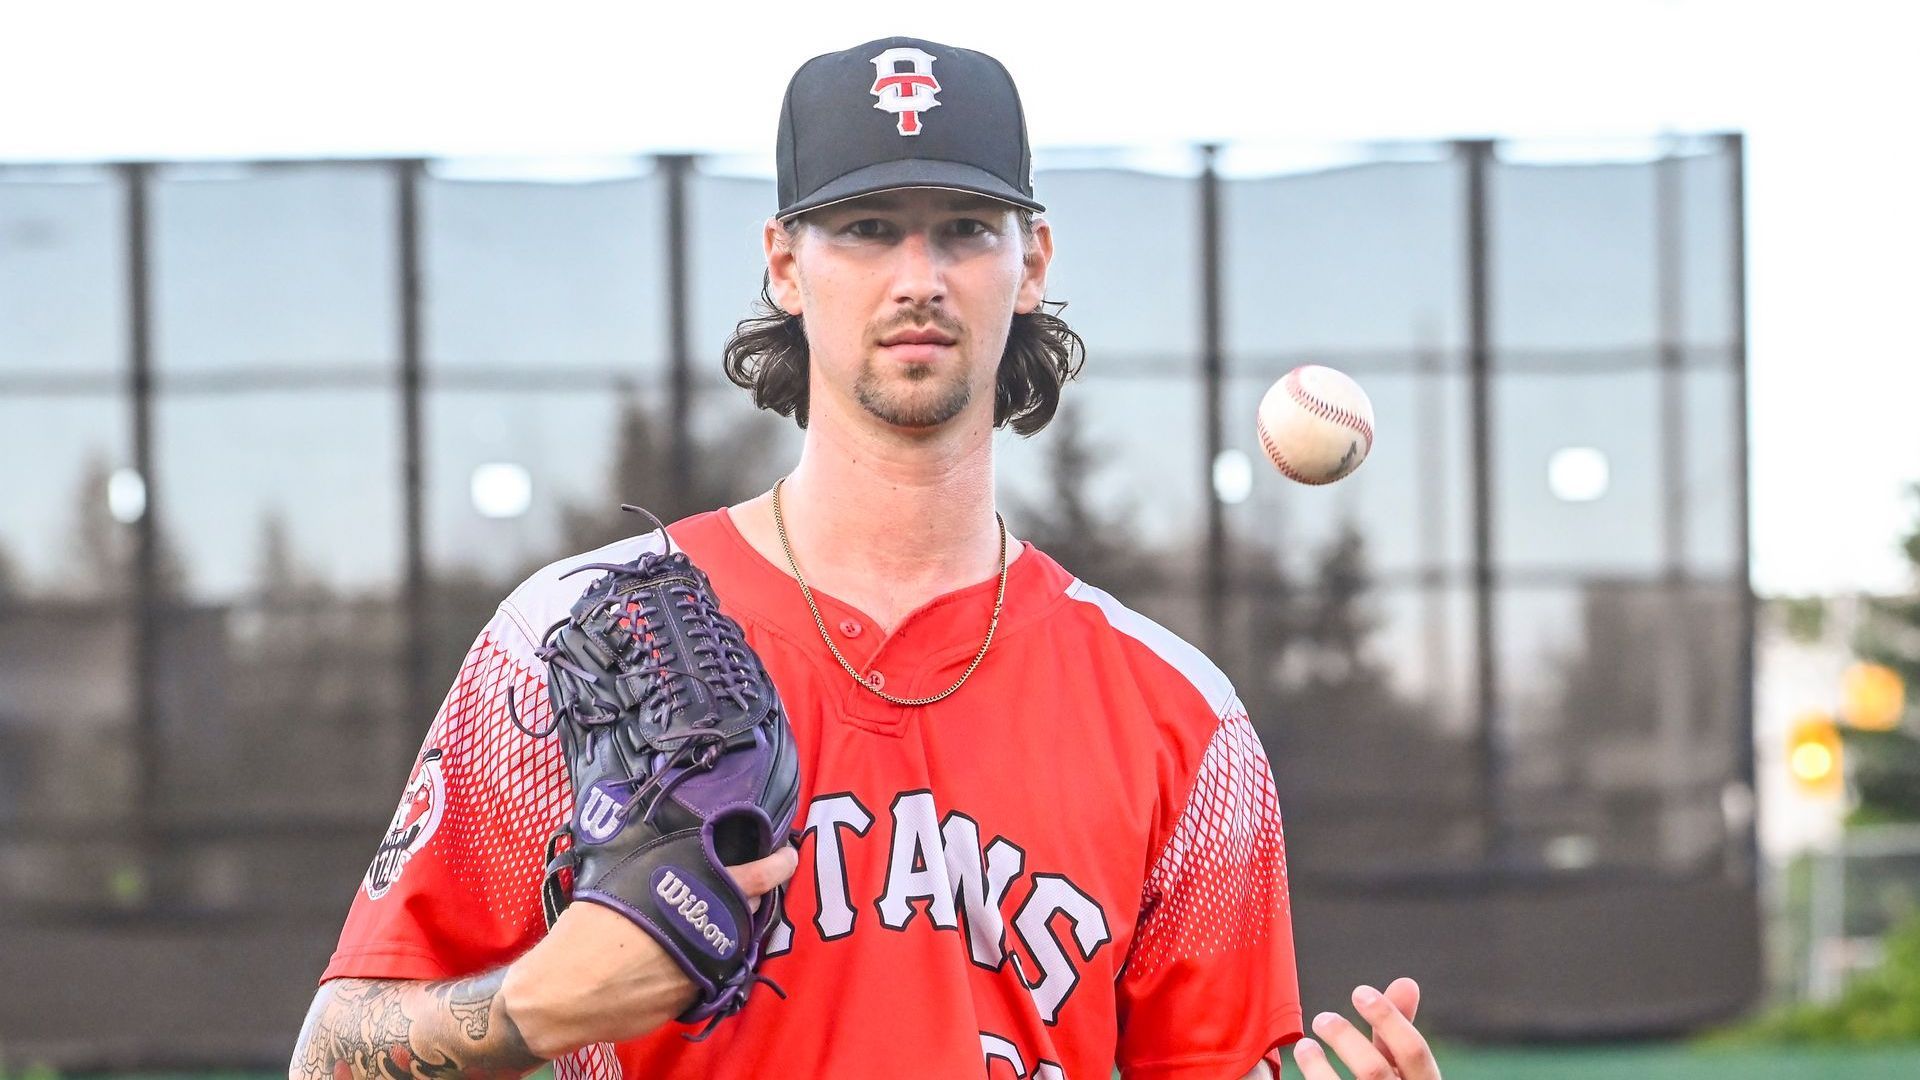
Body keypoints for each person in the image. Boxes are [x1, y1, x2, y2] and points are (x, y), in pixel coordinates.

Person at [291, 35, 1442, 1080]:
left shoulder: (1181, 717)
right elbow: (329, 1059)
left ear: (1032, 260)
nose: (918, 277)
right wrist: (539, 1004)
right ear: (785, 265)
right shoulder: (579, 637)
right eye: (867, 227)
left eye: (966, 228)